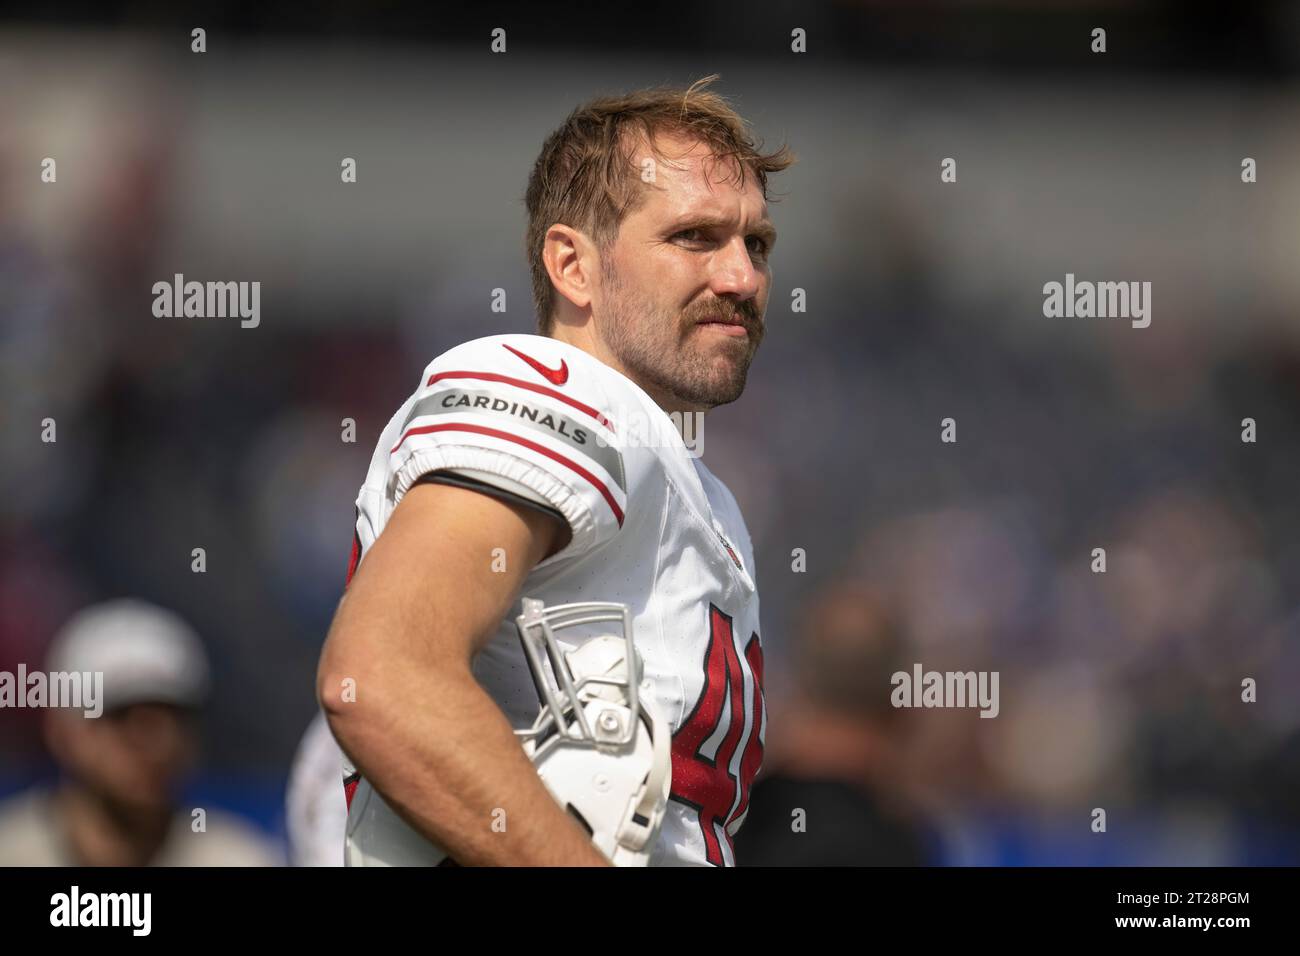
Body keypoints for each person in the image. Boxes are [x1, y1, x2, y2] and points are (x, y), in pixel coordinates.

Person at [317, 75, 793, 866]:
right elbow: (382, 677)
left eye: (757, 244)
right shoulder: (552, 390)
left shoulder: (688, 479)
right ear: (573, 266)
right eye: (695, 238)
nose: (742, 277)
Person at [0, 599, 280, 866]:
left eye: (175, 717)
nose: (158, 743)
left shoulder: (240, 860)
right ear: (62, 730)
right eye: (123, 717)